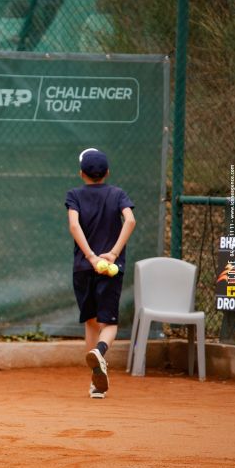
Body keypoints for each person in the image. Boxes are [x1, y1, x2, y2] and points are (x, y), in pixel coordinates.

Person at [65, 148, 136, 399]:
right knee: (110, 323)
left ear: (81, 173)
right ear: (107, 172)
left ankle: (95, 380)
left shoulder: (73, 195)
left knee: (92, 322)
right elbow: (130, 221)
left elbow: (74, 225)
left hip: (84, 268)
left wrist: (91, 257)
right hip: (111, 269)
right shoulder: (118, 194)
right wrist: (113, 254)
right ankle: (100, 353)